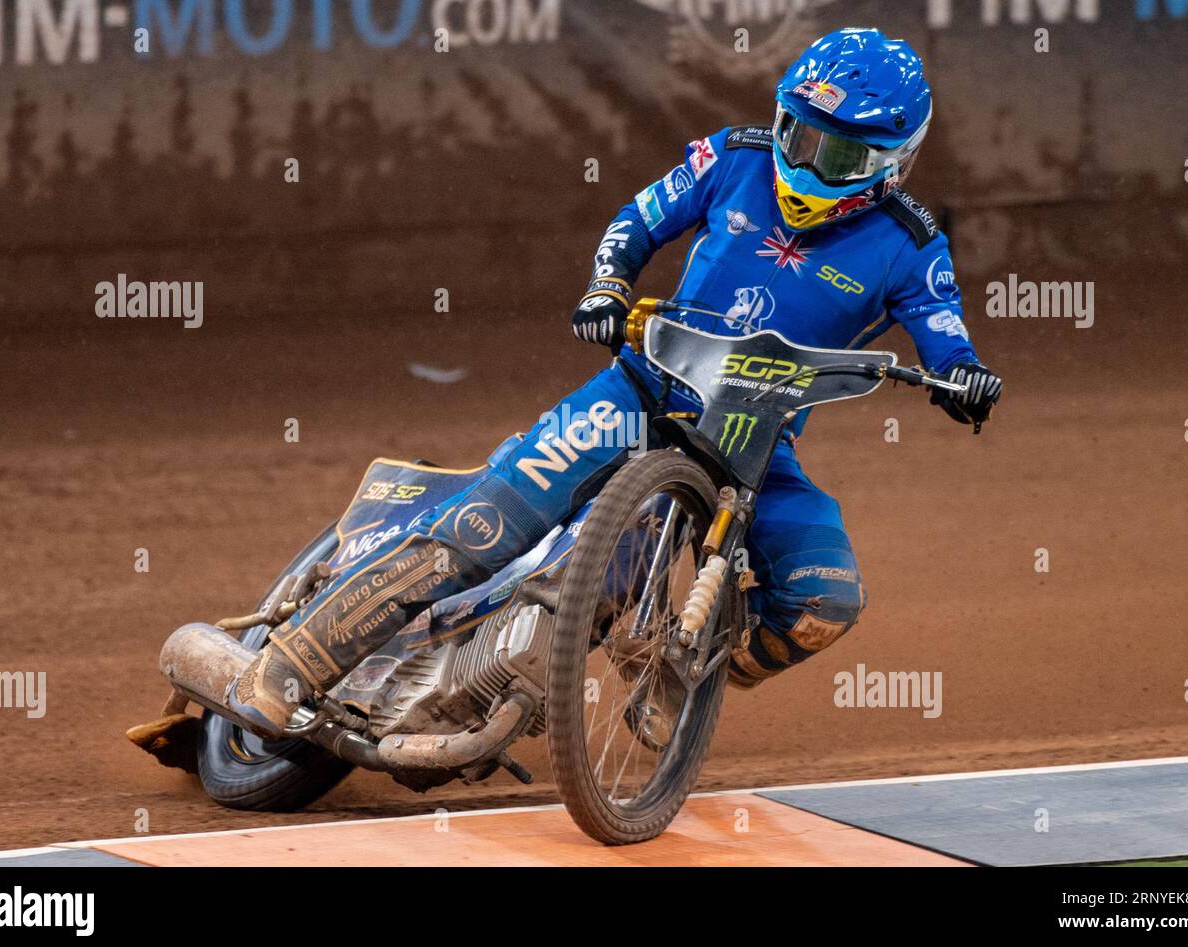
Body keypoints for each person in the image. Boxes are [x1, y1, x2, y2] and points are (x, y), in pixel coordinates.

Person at [229, 27, 1003, 736]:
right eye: (795, 134)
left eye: (832, 154)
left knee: (823, 600)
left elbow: (943, 331)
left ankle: (684, 672)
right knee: (482, 529)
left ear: (888, 163)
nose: (800, 162)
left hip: (755, 444)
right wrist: (608, 287)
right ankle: (290, 663)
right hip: (639, 391)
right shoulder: (734, 158)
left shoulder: (911, 245)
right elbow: (633, 223)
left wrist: (960, 376)